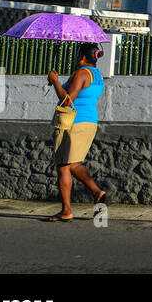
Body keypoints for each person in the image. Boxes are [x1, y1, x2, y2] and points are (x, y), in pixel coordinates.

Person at [46, 43, 107, 221]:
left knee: (65, 165)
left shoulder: (81, 73)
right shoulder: (97, 76)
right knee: (72, 163)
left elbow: (67, 100)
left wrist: (56, 81)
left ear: (81, 57)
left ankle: (70, 208)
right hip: (89, 121)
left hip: (74, 122)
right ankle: (96, 193)